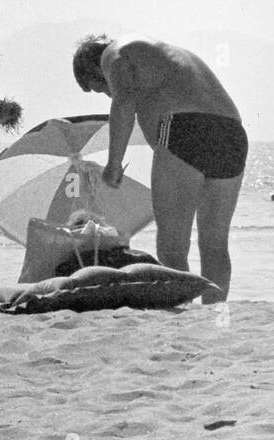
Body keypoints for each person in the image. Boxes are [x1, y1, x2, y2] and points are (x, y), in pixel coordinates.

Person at [73, 35, 246, 302]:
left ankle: (181, 312)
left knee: (172, 247)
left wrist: (114, 163)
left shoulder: (113, 55)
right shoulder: (163, 55)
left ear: (95, 69)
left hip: (185, 129)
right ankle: (215, 315)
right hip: (232, 133)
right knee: (214, 243)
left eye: (100, 88)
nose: (106, 93)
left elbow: (124, 102)